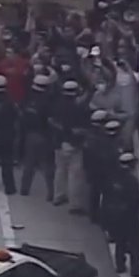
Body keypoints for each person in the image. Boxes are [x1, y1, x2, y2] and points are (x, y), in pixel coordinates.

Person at [104, 152, 139, 277]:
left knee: (120, 241)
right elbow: (133, 198)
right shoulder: (131, 180)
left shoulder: (112, 177)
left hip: (114, 215)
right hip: (128, 216)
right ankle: (135, 268)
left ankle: (120, 265)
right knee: (135, 243)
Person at [51, 80, 87, 210]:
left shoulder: (57, 105)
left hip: (59, 143)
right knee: (75, 174)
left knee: (60, 170)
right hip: (74, 143)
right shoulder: (78, 108)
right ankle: (75, 203)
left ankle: (58, 195)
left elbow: (52, 122)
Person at [19, 74, 54, 199]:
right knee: (47, 165)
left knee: (29, 164)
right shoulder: (48, 102)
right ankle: (51, 192)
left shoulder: (28, 99)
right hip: (44, 135)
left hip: (30, 135)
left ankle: (24, 189)